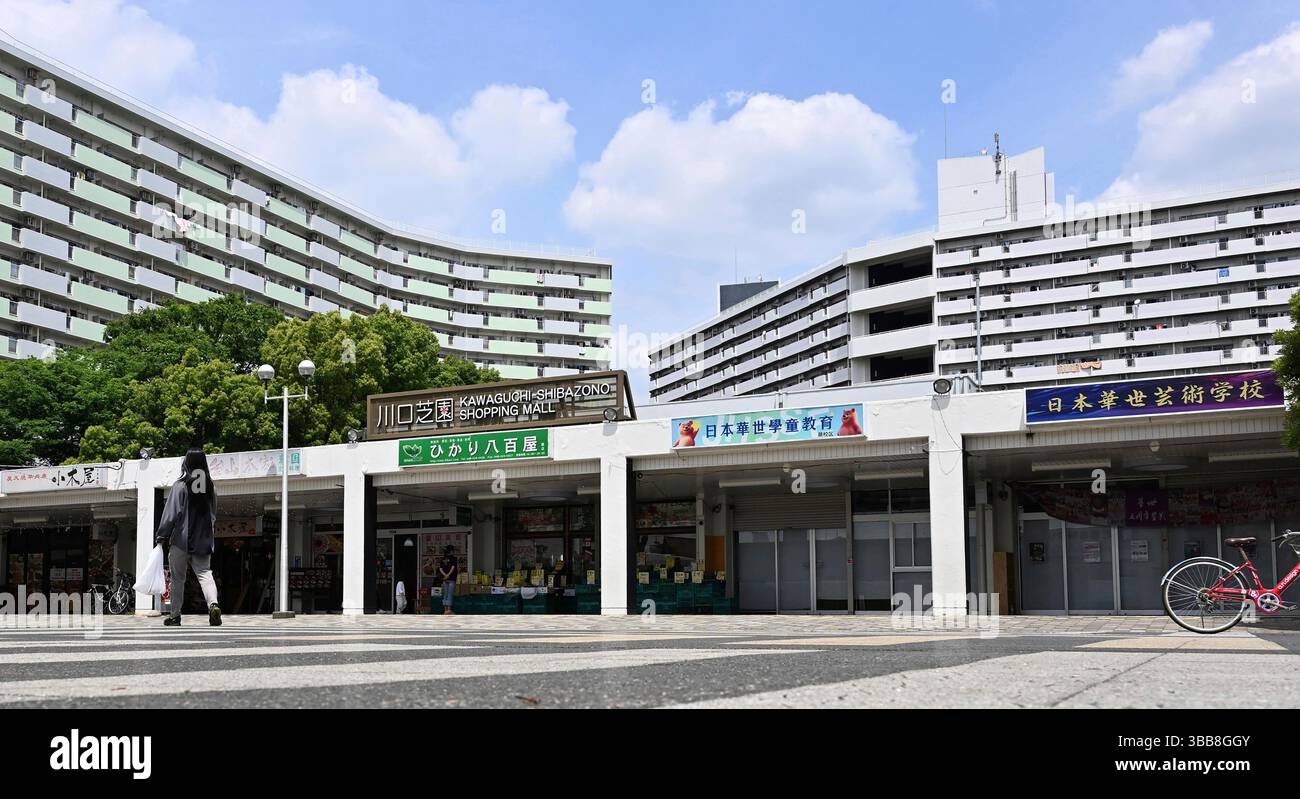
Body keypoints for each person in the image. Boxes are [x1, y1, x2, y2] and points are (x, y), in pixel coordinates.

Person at [154, 449, 221, 626]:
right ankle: (213, 605)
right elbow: (213, 515)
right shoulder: (211, 487)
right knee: (205, 574)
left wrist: (162, 534)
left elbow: (171, 514)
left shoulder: (180, 485)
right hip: (203, 540)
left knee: (178, 579)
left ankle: (175, 615)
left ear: (186, 464)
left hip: (181, 541)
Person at [438, 545, 459, 615]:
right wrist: (448, 575)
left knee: (445, 594)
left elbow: (440, 569)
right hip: (451, 578)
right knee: (450, 594)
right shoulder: (454, 558)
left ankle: (445, 610)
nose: (454, 552)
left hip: (444, 579)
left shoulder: (442, 559)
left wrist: (445, 575)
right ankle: (449, 610)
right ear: (451, 551)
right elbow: (453, 568)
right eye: (453, 550)